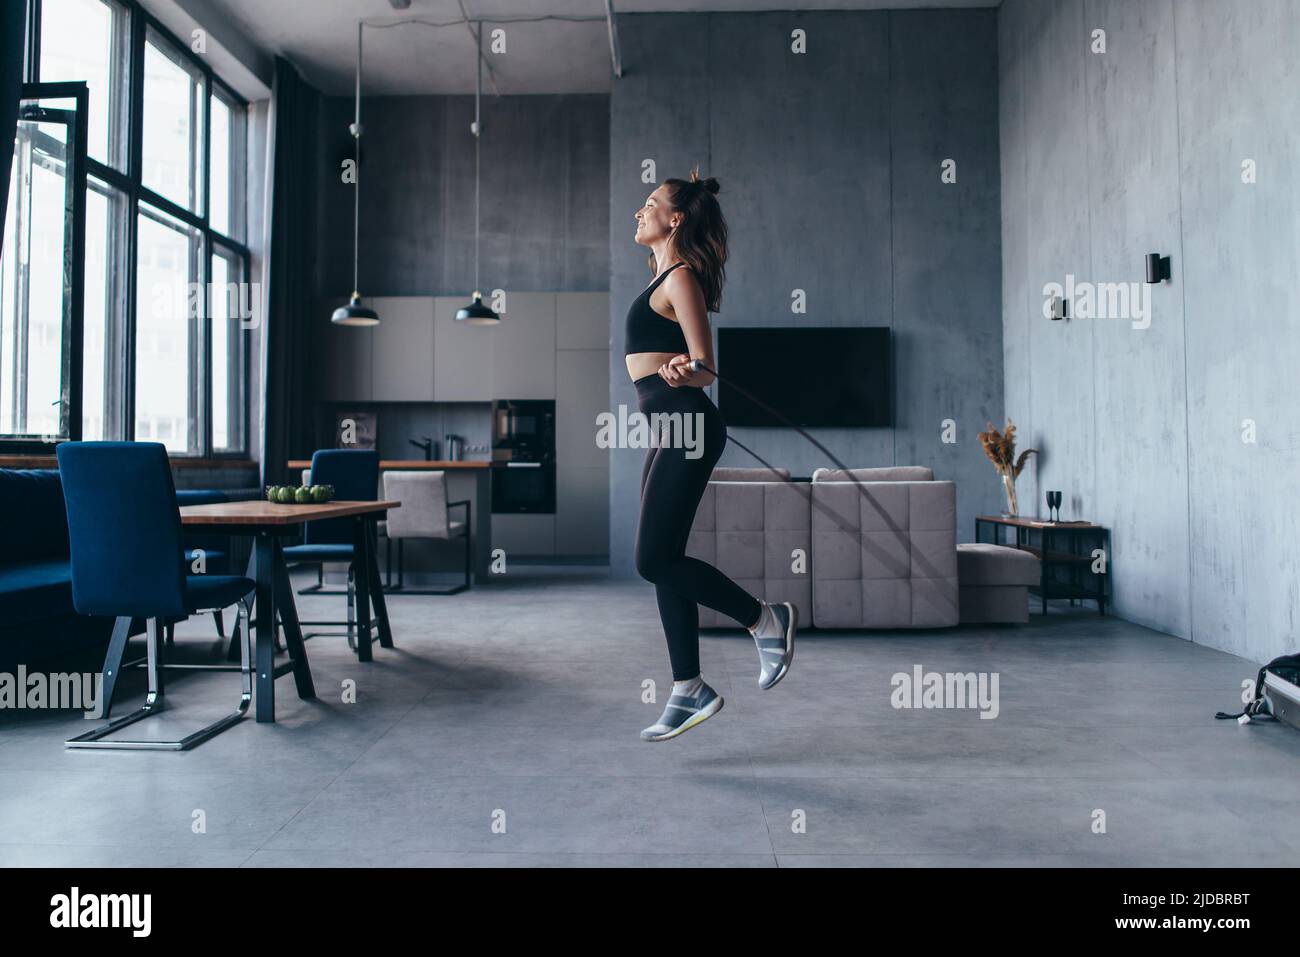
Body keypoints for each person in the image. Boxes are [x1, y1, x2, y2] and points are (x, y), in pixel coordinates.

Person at [625, 169, 798, 742]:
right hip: (668, 426)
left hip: (687, 424)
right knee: (663, 558)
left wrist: (685, 369)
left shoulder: (681, 278)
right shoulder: (661, 278)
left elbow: (705, 365)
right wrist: (679, 367)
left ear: (675, 219)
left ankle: (764, 619)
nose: (639, 211)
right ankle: (687, 689)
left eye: (651, 203)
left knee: (652, 558)